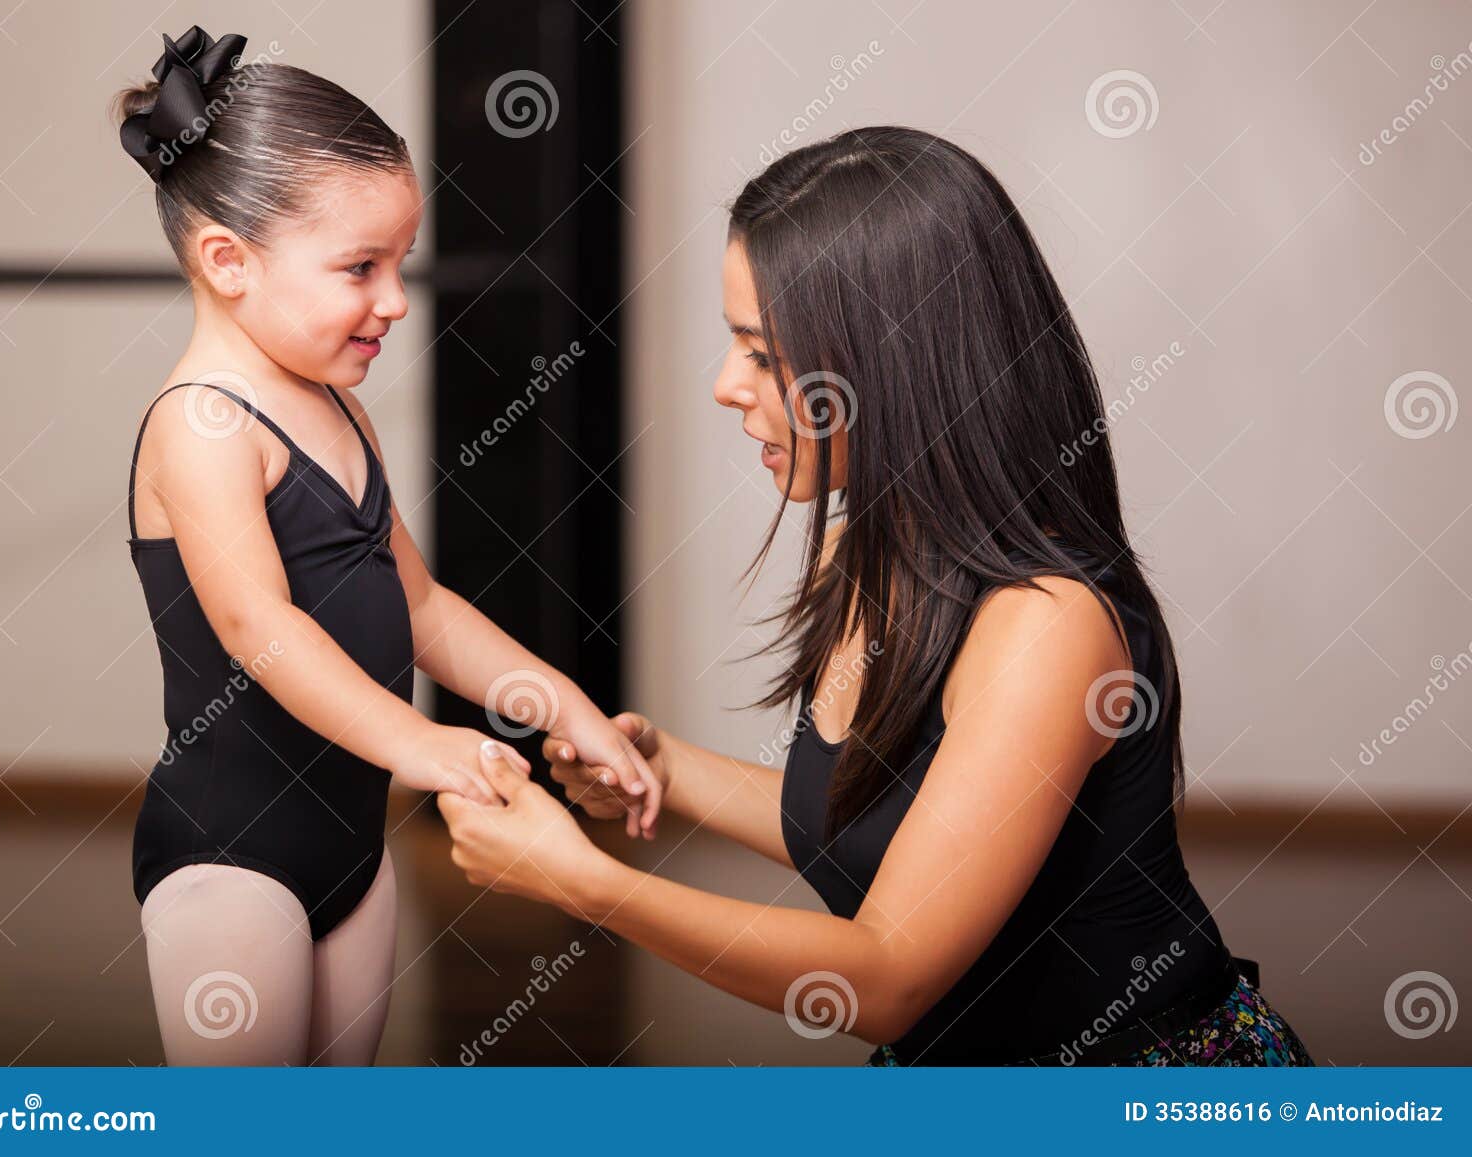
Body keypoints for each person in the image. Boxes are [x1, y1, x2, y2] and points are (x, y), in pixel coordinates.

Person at [438, 126, 1315, 1067]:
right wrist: (666, 769)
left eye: (763, 355)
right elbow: (882, 825)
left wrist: (582, 882)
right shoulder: (869, 550)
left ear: (891, 365)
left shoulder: (1046, 626)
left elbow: (888, 977)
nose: (725, 386)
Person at [115, 25, 659, 1066]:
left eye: (399, 261)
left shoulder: (336, 411)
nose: (396, 299)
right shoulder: (201, 423)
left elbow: (423, 609)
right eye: (360, 266)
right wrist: (419, 744)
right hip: (232, 858)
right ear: (227, 259)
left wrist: (567, 706)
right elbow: (256, 627)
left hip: (352, 852)